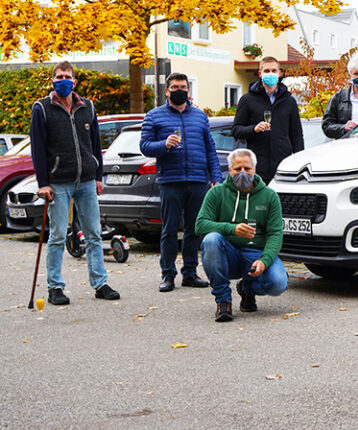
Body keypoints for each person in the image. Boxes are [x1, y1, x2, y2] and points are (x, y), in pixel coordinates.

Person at [30, 61, 120, 305]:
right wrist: (43, 182)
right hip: (58, 183)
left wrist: (98, 175)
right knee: (58, 236)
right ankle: (55, 287)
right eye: (59, 76)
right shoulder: (41, 108)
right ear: (52, 81)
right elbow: (38, 149)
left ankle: (100, 283)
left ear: (75, 81)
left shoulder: (87, 107)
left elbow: (95, 145)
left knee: (93, 234)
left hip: (87, 182)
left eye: (67, 76)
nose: (63, 80)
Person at [140, 73, 222, 292]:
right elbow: (145, 146)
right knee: (169, 230)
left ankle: (190, 273)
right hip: (170, 180)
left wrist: (216, 177)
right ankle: (167, 275)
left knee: (195, 229)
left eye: (183, 87)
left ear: (188, 90)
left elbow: (210, 149)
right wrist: (164, 145)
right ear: (166, 91)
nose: (180, 90)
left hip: (197, 180)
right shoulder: (154, 116)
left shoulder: (200, 116)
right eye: (175, 87)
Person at [196, 148, 287, 322]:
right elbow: (200, 225)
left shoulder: (269, 196)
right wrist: (232, 229)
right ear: (229, 170)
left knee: (278, 284)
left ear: (254, 169)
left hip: (255, 253)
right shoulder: (216, 193)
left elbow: (275, 233)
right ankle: (223, 300)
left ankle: (247, 288)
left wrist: (265, 260)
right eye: (237, 169)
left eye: (247, 168)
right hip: (228, 253)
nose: (243, 173)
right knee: (211, 239)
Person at [232, 56, 303, 184]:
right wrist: (253, 128)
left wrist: (298, 161)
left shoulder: (289, 101)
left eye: (274, 71)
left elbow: (296, 135)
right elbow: (236, 130)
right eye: (267, 71)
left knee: (281, 203)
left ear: (280, 73)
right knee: (259, 204)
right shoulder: (247, 100)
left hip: (283, 166)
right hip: (257, 167)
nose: (270, 74)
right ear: (260, 74)